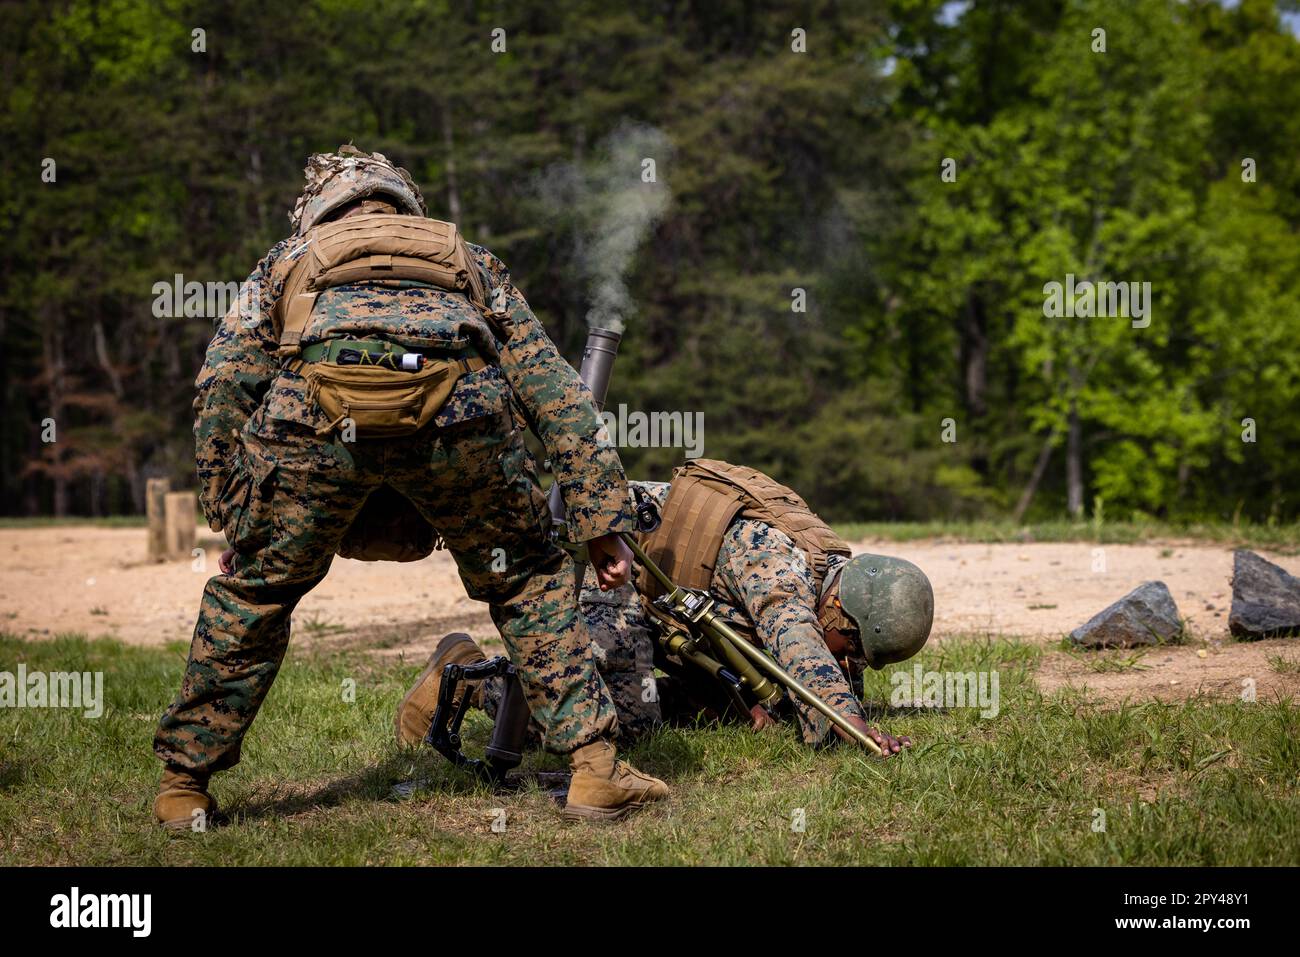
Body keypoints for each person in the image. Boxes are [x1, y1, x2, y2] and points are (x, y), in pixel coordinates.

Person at [153, 145, 667, 829]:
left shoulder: (286, 262)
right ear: (404, 203)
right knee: (529, 578)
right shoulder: (467, 259)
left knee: (257, 593)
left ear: (321, 211)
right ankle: (596, 770)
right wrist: (601, 517)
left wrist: (238, 517)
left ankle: (183, 784)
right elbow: (556, 393)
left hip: (317, 416)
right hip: (461, 414)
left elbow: (222, 387)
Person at [396, 464, 933, 755]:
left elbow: (814, 663)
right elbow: (803, 651)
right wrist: (857, 730)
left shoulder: (837, 570)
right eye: (855, 651)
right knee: (619, 726)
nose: (852, 666)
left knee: (738, 708)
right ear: (838, 610)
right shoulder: (781, 573)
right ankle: (463, 676)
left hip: (677, 607)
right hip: (618, 569)